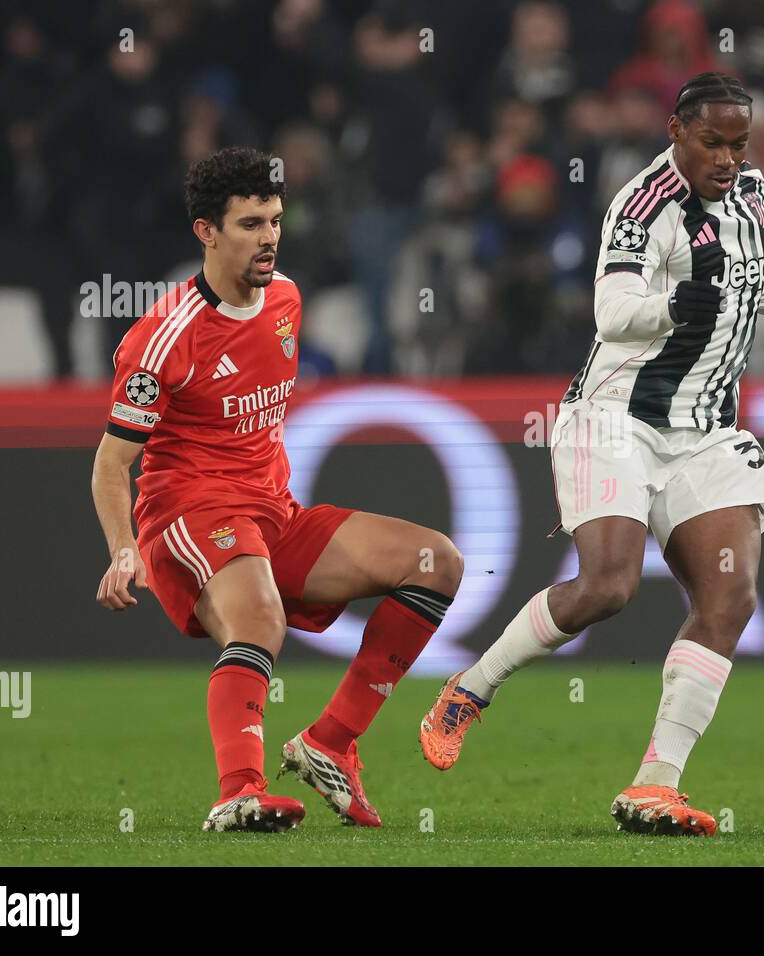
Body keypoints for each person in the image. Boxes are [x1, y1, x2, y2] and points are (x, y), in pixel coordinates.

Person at [419, 73, 764, 836]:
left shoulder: (752, 193)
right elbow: (610, 311)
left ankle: (653, 785)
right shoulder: (641, 207)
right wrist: (673, 305)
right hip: (616, 418)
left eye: (739, 144)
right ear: (675, 130)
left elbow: (737, 273)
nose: (728, 159)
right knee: (608, 586)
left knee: (730, 600)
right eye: (712, 142)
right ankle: (470, 688)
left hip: (704, 430)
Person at [90, 147, 463, 832]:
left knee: (436, 562)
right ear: (206, 231)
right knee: (258, 619)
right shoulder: (161, 340)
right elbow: (112, 464)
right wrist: (122, 552)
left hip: (273, 513)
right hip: (190, 512)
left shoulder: (286, 299)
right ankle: (238, 792)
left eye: (276, 221)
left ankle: (331, 743)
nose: (270, 238)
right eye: (251, 224)